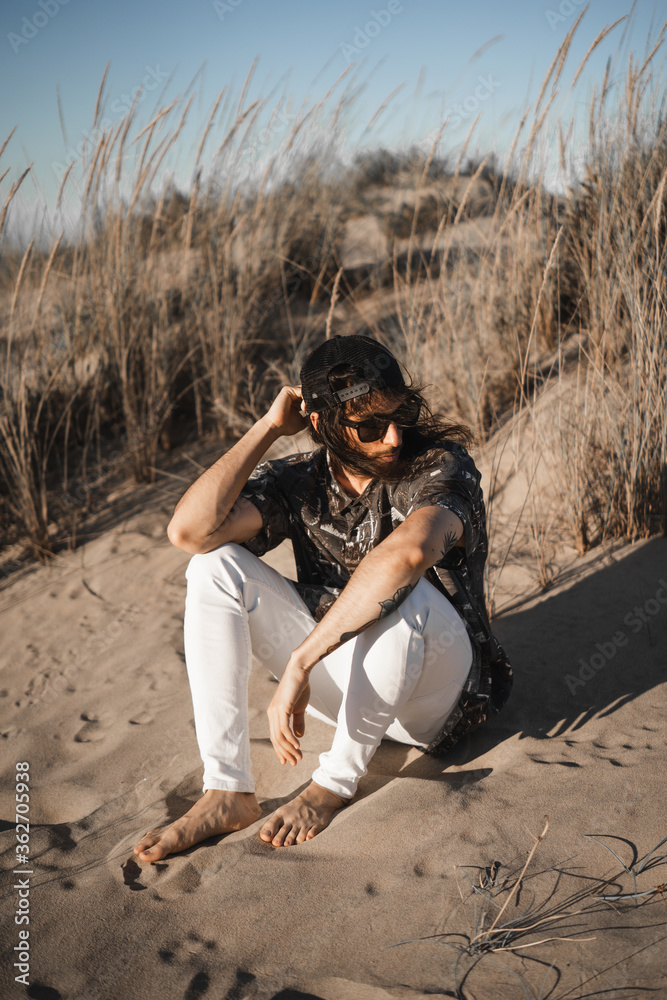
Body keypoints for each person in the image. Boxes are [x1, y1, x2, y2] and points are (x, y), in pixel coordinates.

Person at [133, 334, 512, 858]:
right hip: (349, 688)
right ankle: (227, 789)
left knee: (409, 592)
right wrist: (267, 429)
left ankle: (332, 784)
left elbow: (406, 554)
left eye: (399, 414)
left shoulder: (441, 465)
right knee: (212, 566)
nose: (394, 437)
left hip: (438, 700)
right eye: (371, 426)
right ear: (322, 424)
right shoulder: (300, 482)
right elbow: (189, 533)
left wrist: (300, 662)